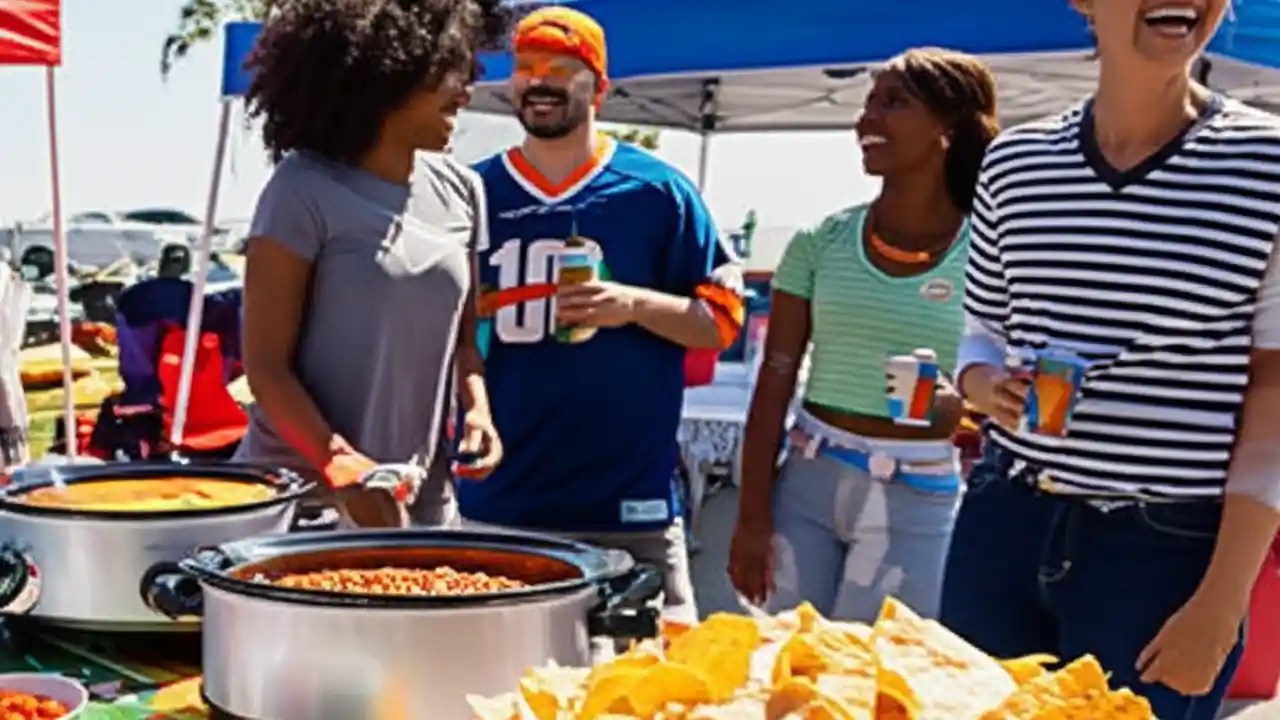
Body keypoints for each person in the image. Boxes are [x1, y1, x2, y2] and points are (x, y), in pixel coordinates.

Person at [941, 1, 1280, 717]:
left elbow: (1276, 393)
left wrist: (1223, 599)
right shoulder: (1015, 161)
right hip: (1004, 521)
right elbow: (981, 328)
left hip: (1164, 550)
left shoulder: (1269, 166)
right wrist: (980, 381)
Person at [462, 7, 744, 624]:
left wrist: (635, 305)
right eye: (526, 68)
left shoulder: (658, 192)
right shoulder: (474, 192)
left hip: (629, 509)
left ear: (601, 87)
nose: (540, 82)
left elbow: (721, 322)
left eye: (561, 70)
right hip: (496, 506)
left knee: (664, 692)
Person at [727, 49, 999, 622]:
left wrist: (962, 408)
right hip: (808, 481)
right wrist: (752, 517)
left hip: (922, 496)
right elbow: (773, 384)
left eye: (893, 103)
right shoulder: (819, 242)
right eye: (868, 102)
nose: (866, 119)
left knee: (887, 685)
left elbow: (1007, 387)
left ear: (946, 130)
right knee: (786, 675)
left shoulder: (992, 253)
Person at [234, 0, 507, 527]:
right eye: (449, 70)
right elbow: (266, 368)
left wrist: (479, 410)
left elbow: (465, 345)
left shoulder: (465, 191)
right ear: (391, 73)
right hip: (304, 506)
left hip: (419, 504)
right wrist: (342, 465)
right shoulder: (301, 189)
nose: (467, 91)